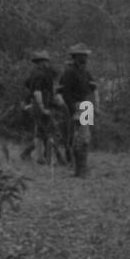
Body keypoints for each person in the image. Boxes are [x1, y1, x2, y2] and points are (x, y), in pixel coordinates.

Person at [57, 43, 97, 177]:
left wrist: (94, 104)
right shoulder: (70, 72)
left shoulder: (84, 72)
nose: (86, 57)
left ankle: (81, 168)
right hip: (77, 105)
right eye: (83, 55)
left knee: (85, 138)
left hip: (85, 104)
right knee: (81, 137)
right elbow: (66, 93)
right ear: (76, 56)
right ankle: (80, 169)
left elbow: (91, 88)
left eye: (86, 55)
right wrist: (73, 110)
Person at [21, 50, 63, 165]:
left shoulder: (34, 74)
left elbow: (28, 86)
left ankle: (39, 157)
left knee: (41, 131)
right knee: (49, 131)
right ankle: (45, 157)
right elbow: (37, 92)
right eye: (45, 61)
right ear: (40, 62)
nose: (47, 63)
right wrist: (42, 107)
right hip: (40, 105)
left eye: (47, 61)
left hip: (37, 104)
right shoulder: (40, 75)